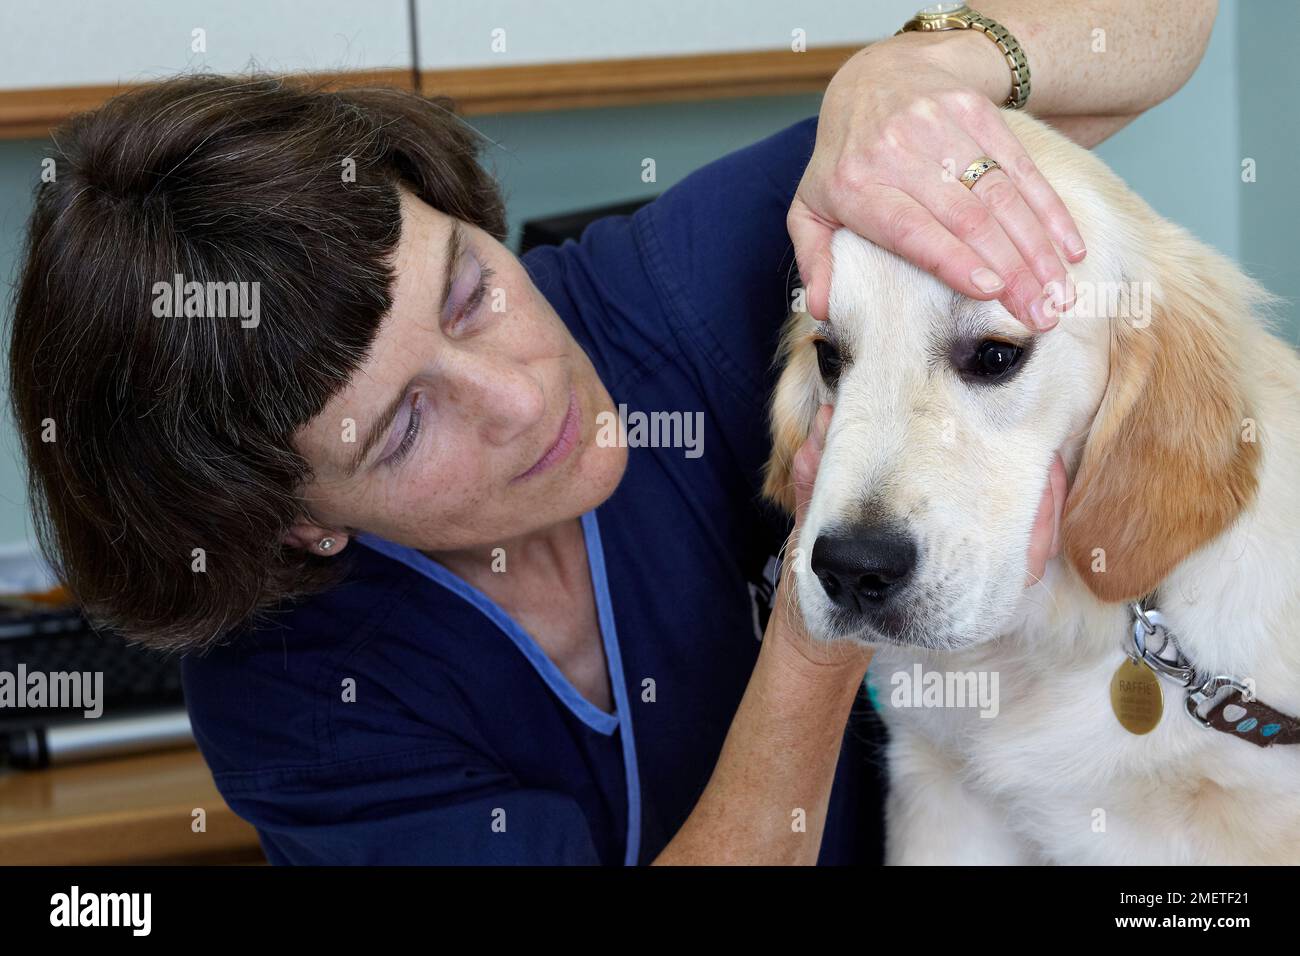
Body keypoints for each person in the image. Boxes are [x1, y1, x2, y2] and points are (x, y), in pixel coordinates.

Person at [7, 1, 1217, 863]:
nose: (525, 396)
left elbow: (1164, 21)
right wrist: (818, 619)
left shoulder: (672, 294)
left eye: (470, 291)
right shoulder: (301, 700)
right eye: (400, 427)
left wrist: (918, 73)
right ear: (301, 522)